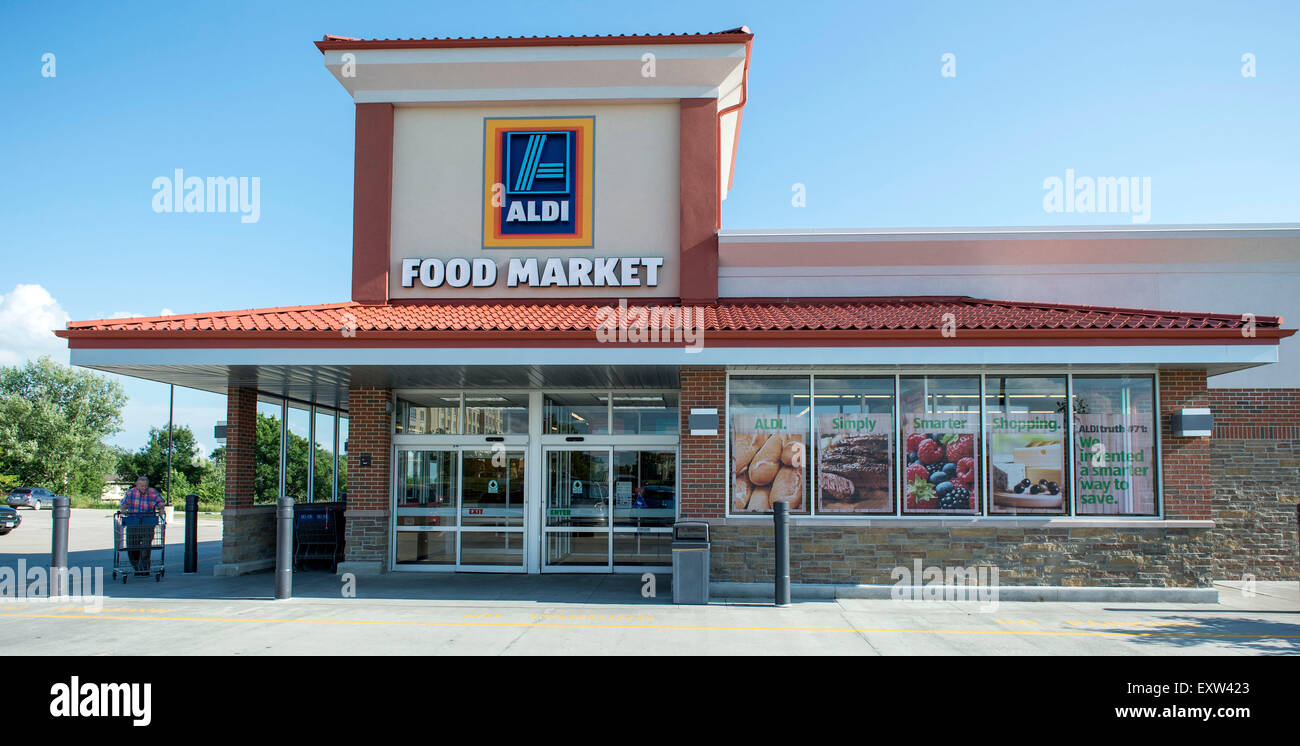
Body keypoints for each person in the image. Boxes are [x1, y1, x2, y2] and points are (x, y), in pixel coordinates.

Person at [120, 476, 164, 574]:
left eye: (145, 486)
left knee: (145, 546)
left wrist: (161, 509)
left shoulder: (153, 492)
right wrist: (123, 509)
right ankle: (136, 567)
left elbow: (160, 503)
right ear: (137, 485)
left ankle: (144, 568)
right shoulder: (130, 492)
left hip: (148, 522)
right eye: (141, 486)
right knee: (132, 546)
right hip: (133, 521)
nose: (144, 488)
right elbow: (124, 504)